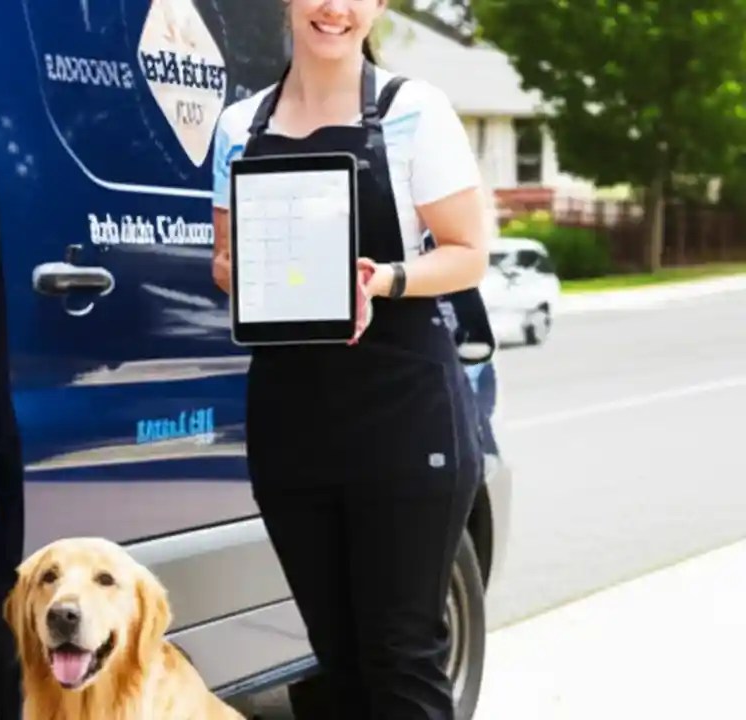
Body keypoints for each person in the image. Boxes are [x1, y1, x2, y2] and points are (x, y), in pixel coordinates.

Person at [209, 1, 490, 718]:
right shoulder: (241, 126)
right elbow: (224, 260)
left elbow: (467, 254)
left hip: (405, 414)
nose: (334, 9)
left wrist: (381, 279)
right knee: (331, 659)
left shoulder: (414, 111)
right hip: (291, 417)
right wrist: (258, 278)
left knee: (399, 653)